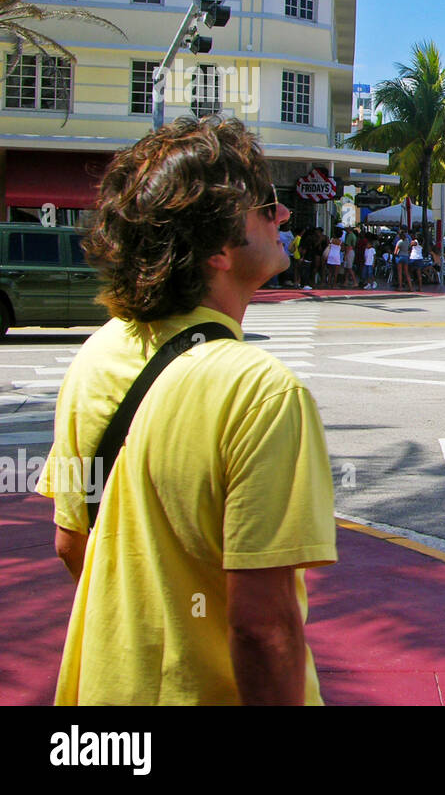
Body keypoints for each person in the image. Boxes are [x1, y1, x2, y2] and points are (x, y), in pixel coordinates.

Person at [35, 117, 336, 705]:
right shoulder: (262, 393)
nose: (282, 216)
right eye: (266, 206)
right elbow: (262, 627)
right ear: (219, 248)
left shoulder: (94, 358)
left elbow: (70, 543)